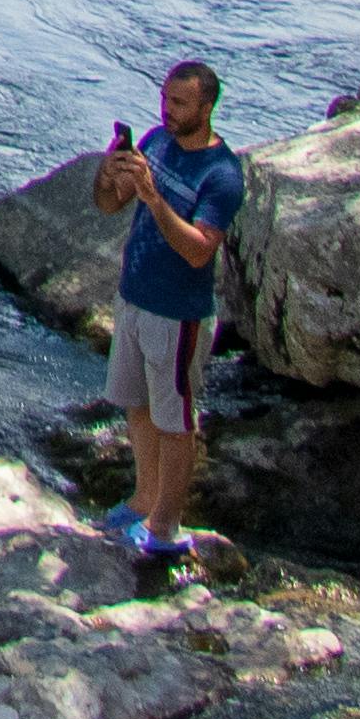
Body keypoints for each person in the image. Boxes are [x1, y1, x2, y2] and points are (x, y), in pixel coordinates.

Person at [89, 57, 243, 561]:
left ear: (207, 106)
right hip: (135, 298)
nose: (167, 111)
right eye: (164, 100)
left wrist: (155, 200)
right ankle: (143, 497)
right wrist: (107, 173)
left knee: (174, 418)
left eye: (179, 103)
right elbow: (109, 205)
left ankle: (166, 526)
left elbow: (201, 248)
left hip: (179, 314)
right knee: (137, 404)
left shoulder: (222, 174)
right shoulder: (155, 141)